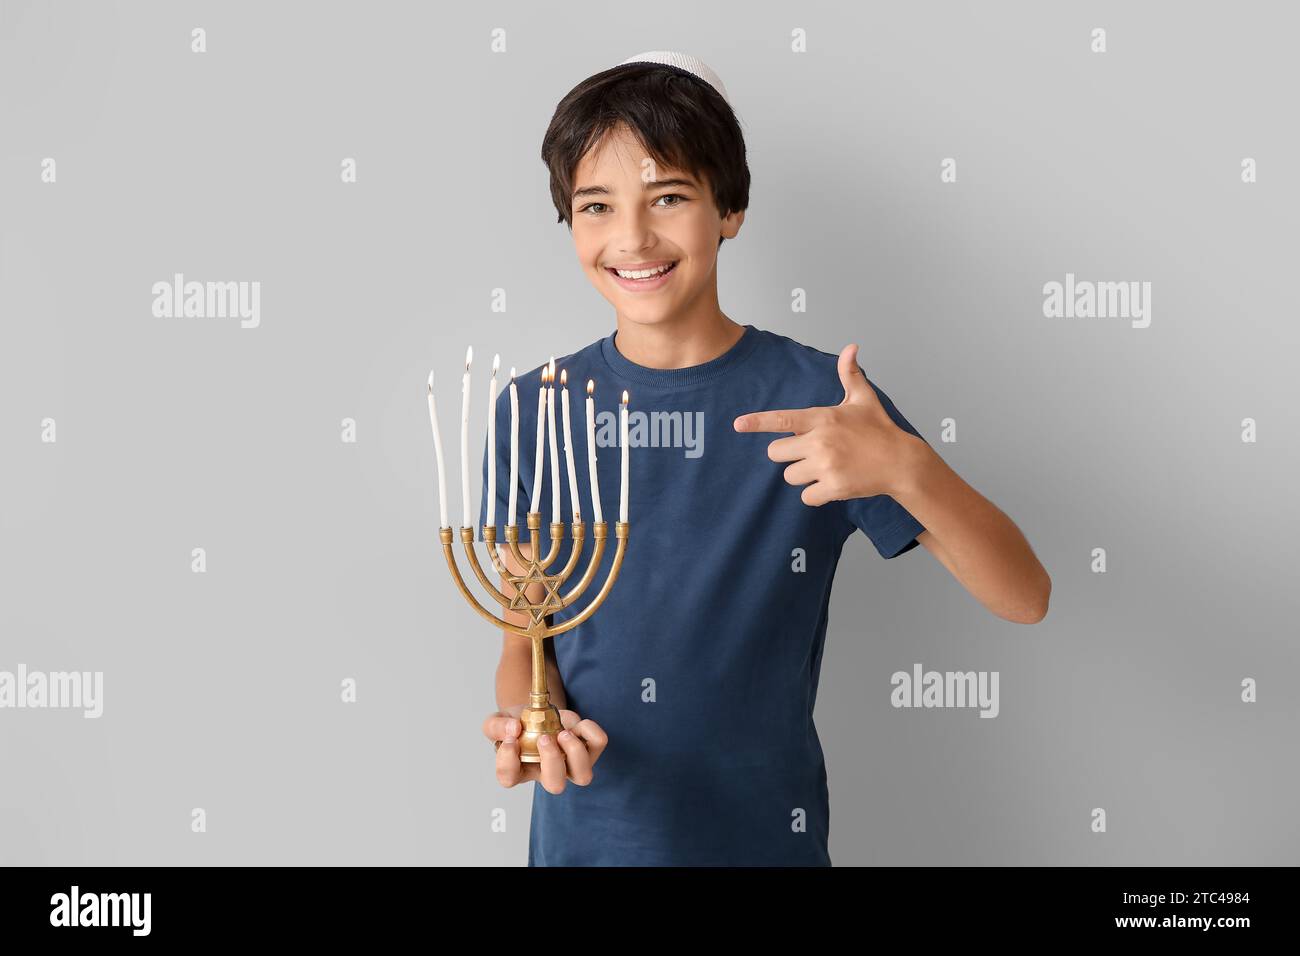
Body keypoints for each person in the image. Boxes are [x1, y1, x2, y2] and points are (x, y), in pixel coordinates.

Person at [478, 52, 1051, 866]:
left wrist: (906, 470)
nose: (633, 237)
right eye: (597, 206)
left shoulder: (823, 397)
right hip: (587, 843)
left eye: (668, 197)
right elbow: (521, 641)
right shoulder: (535, 410)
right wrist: (536, 730)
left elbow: (1024, 596)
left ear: (730, 209)